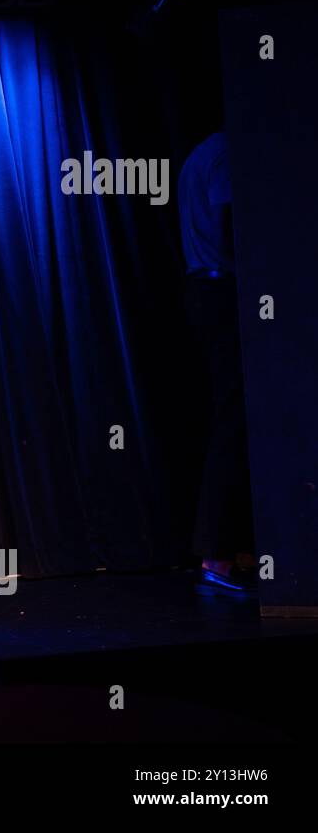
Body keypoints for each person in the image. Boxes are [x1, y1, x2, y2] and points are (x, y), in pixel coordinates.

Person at [177, 129, 256, 593]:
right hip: (221, 289)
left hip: (206, 289)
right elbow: (228, 220)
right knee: (235, 418)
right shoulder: (227, 151)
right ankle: (218, 557)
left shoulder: (201, 151)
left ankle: (230, 550)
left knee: (237, 417)